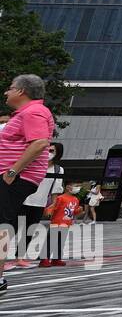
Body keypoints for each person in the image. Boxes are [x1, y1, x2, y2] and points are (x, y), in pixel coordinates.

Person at [0, 75, 56, 292]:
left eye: (10, 88)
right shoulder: (28, 113)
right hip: (14, 176)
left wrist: (12, 171)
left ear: (21, 91)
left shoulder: (34, 111)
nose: (6, 92)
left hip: (16, 177)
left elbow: (40, 142)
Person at [21, 141, 63, 265]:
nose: (48, 153)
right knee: (11, 228)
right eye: (47, 150)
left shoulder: (58, 170)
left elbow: (56, 190)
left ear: (58, 154)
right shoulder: (34, 163)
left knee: (29, 231)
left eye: (52, 151)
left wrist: (53, 205)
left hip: (39, 204)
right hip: (23, 200)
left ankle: (19, 257)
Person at [43, 184, 82, 266]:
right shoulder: (60, 198)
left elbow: (73, 212)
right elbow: (53, 207)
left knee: (60, 242)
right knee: (51, 241)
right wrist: (49, 212)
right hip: (56, 222)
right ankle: (44, 260)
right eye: (76, 186)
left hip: (66, 224)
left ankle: (56, 259)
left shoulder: (75, 199)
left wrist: (79, 210)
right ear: (68, 187)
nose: (78, 188)